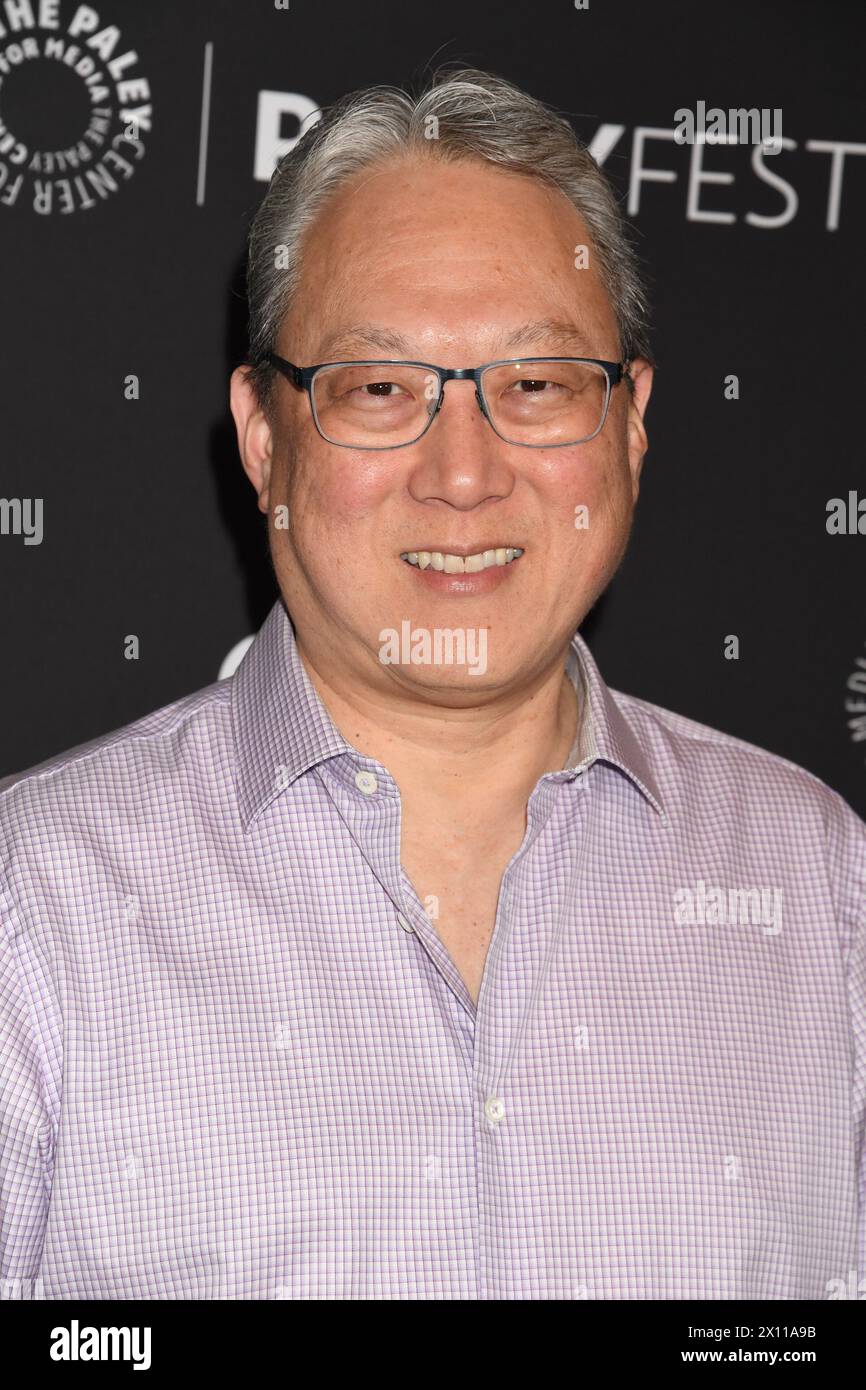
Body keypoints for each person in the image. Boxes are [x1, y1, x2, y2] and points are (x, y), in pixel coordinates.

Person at [1, 67, 864, 1301]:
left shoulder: (820, 891)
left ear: (628, 426)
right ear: (262, 439)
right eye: (379, 390)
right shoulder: (34, 910)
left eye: (535, 384)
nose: (462, 473)